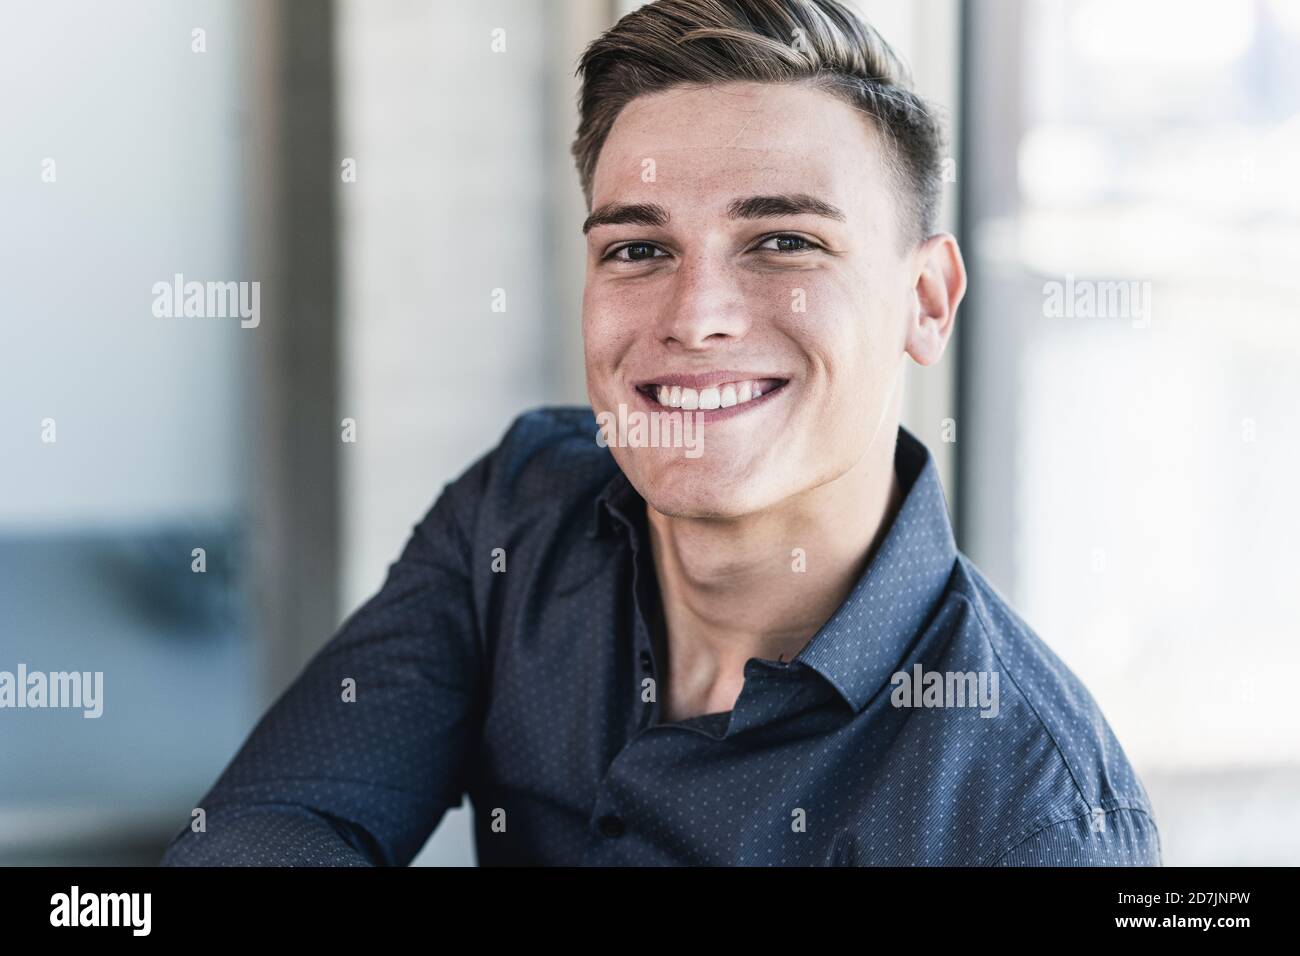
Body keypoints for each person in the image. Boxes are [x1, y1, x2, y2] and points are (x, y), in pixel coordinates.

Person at [161, 0, 1161, 866]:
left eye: (784, 241)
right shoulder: (517, 515)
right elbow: (268, 825)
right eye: (638, 248)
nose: (695, 316)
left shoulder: (1032, 814)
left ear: (927, 300)